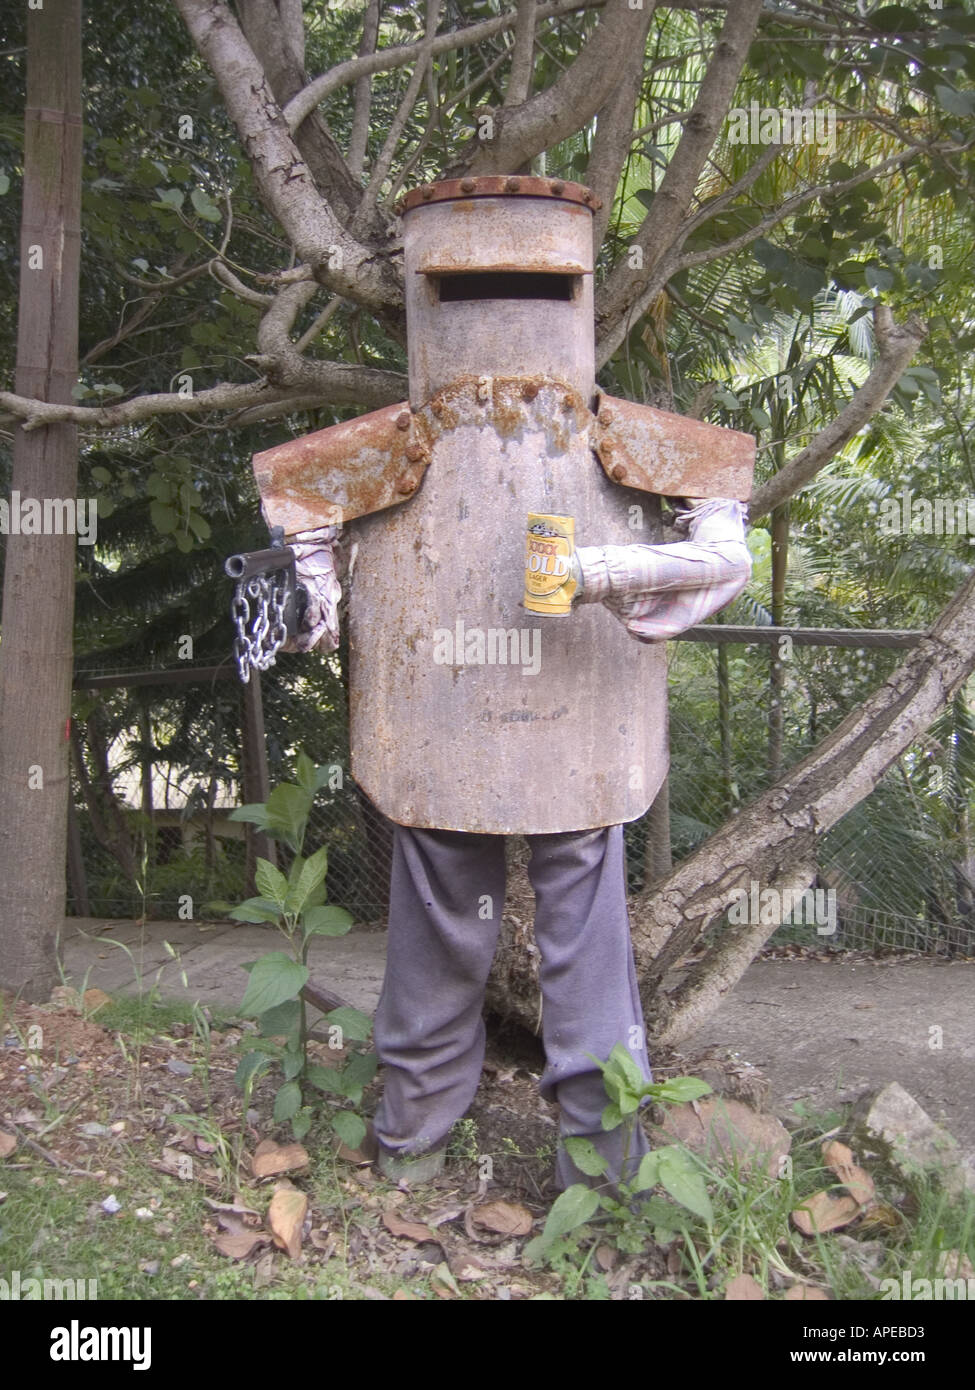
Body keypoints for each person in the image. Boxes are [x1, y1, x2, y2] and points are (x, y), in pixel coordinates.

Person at [286, 494, 751, 1188]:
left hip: (534, 712)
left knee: (517, 925)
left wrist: (589, 574)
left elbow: (723, 553)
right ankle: (578, 1168)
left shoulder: (401, 450)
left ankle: (553, 1161)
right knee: (534, 928)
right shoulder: (615, 446)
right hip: (460, 717)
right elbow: (307, 607)